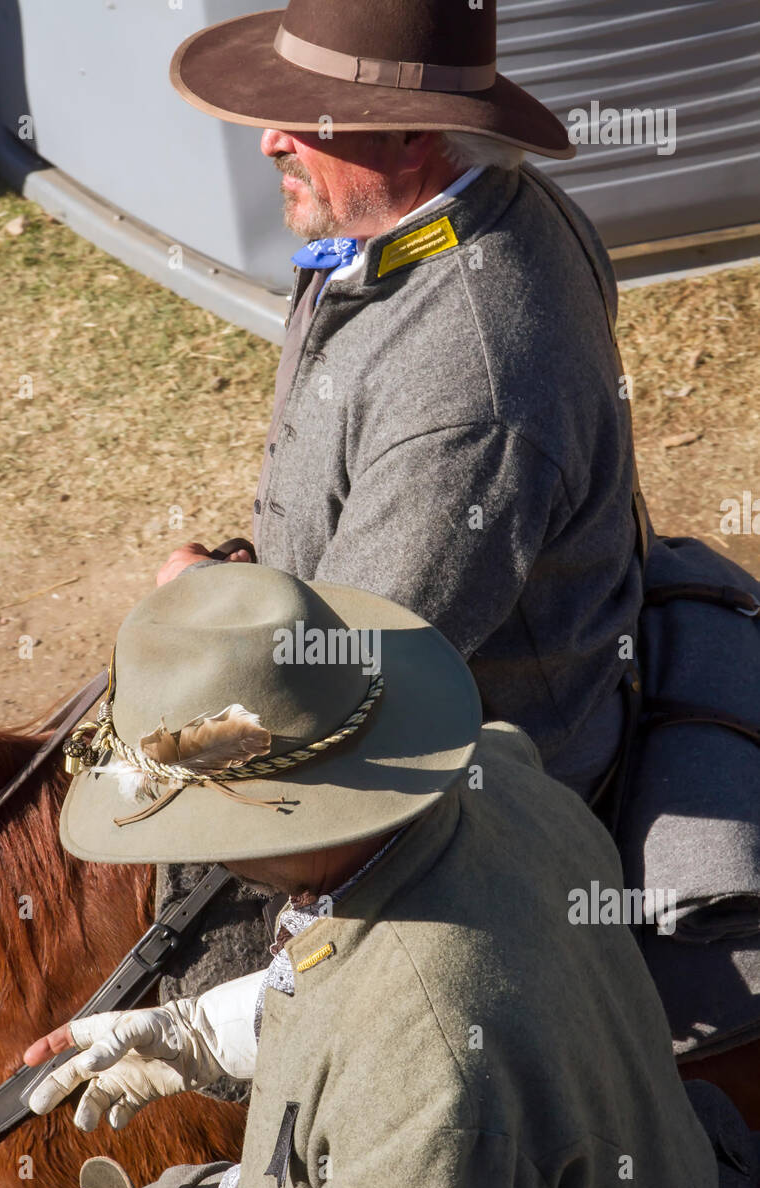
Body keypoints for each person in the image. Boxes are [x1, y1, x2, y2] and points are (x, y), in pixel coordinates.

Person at [28, 564, 717, 1188]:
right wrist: (204, 1029)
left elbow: (418, 1038)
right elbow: (409, 972)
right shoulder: (503, 776)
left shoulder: (429, 1081)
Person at [157, 0, 645, 805]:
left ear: (414, 133)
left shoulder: (467, 392)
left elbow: (341, 679)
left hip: (472, 788)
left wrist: (207, 611)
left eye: (302, 118)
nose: (269, 139)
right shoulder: (458, 209)